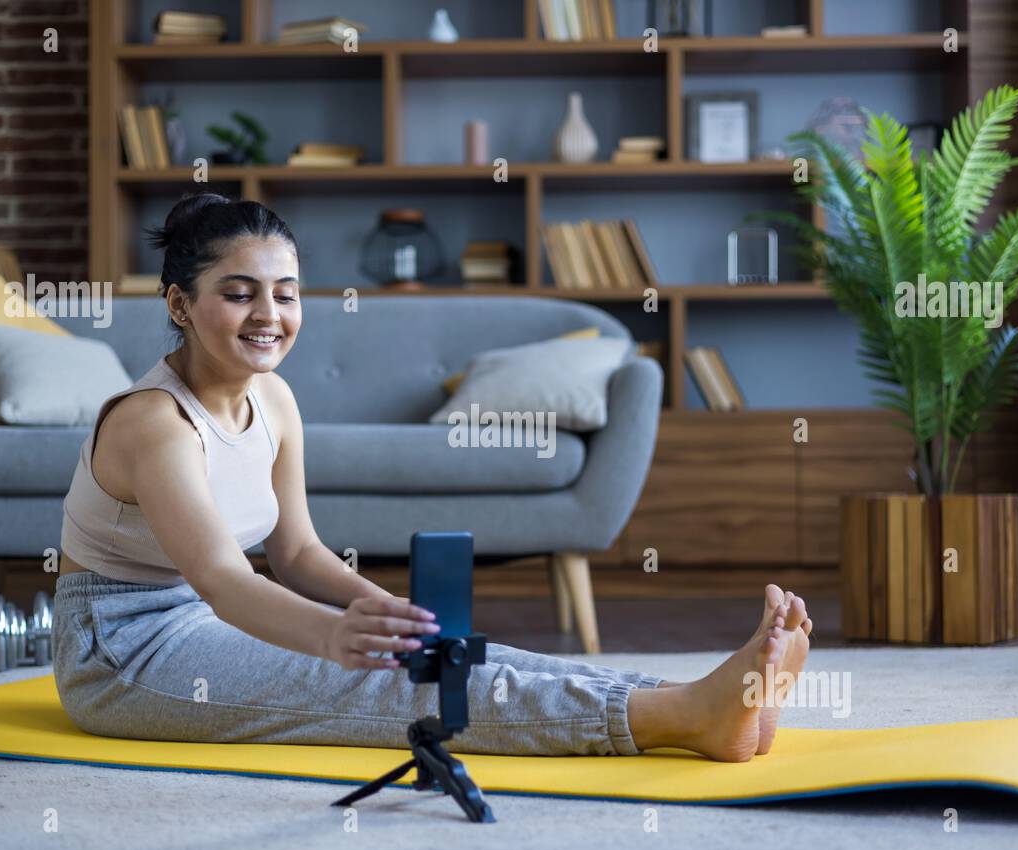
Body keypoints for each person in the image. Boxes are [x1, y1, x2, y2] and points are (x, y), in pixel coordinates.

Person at [52, 193, 813, 761]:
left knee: (452, 654)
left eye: (285, 293)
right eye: (239, 292)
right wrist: (333, 635)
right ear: (180, 304)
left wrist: (392, 615)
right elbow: (222, 577)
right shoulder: (156, 421)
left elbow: (297, 553)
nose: (269, 314)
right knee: (373, 685)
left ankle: (682, 699)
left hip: (211, 621)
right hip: (124, 651)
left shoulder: (274, 398)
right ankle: (678, 720)